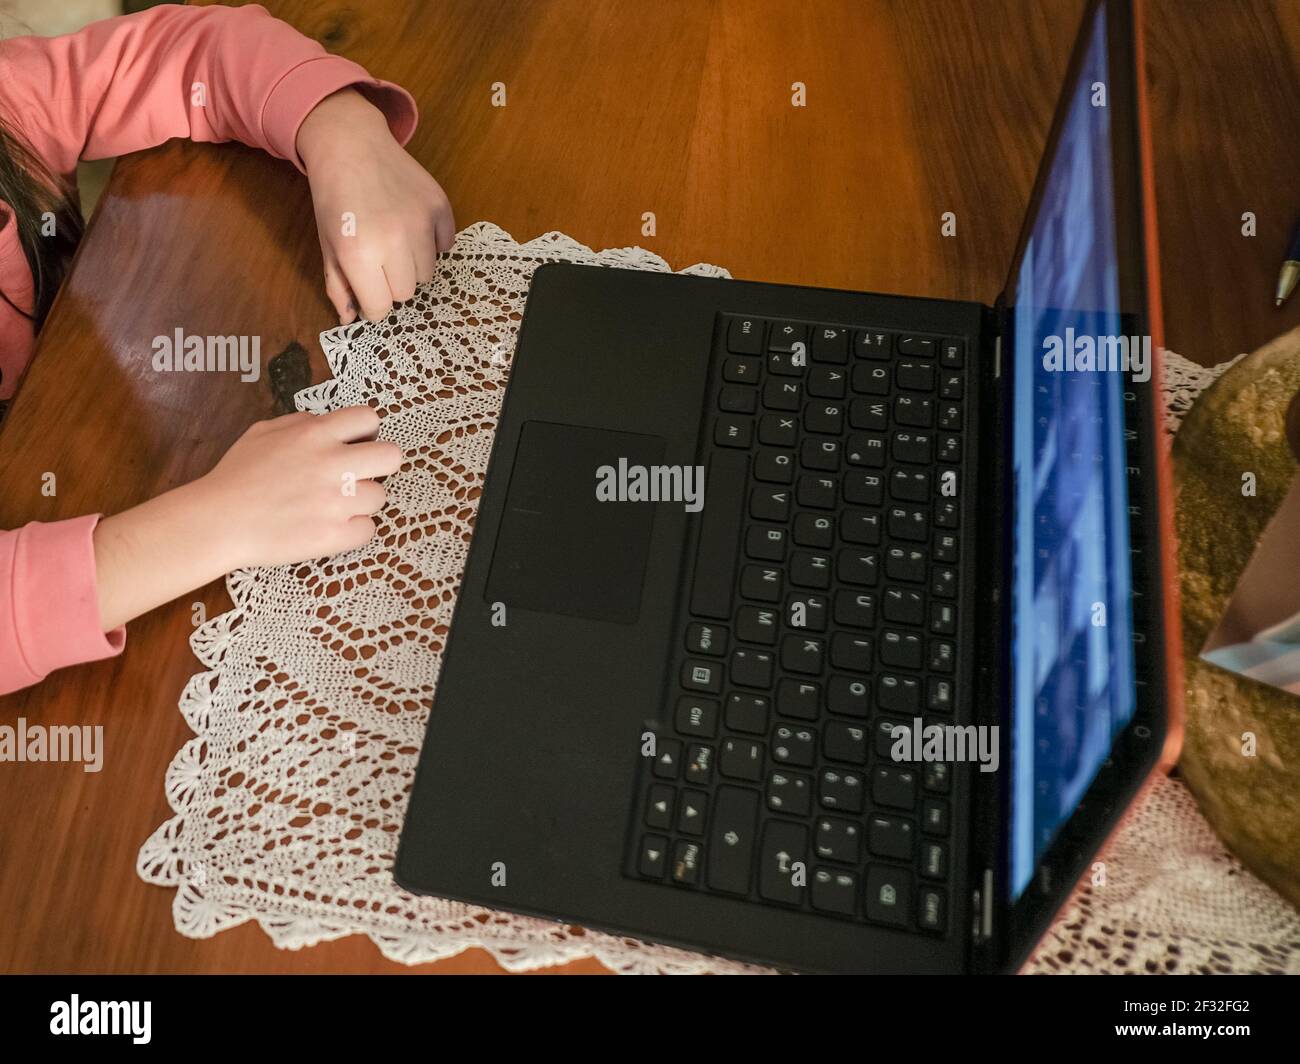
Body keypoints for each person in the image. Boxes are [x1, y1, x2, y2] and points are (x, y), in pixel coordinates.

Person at [0, 3, 454, 694]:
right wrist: (221, 520)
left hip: (82, 445)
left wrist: (339, 130)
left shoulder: (12, 104)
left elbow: (193, 52)